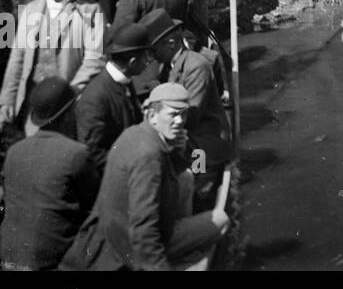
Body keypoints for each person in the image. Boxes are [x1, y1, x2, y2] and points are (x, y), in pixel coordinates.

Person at [60, 83, 230, 271]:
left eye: (184, 114)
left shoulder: (134, 133)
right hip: (131, 247)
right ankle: (181, 262)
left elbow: (171, 174)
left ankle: (180, 246)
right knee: (221, 219)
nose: (180, 121)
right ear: (152, 115)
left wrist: (176, 150)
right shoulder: (149, 156)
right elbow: (144, 229)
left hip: (113, 234)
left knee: (186, 178)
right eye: (173, 114)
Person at [0, 0, 105, 132]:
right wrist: (7, 100)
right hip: (33, 104)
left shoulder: (89, 10)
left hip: (69, 103)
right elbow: (17, 58)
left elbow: (95, 59)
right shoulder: (32, 9)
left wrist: (69, 92)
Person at [0, 77, 98, 271]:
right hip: (52, 263)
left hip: (9, 259)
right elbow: (94, 208)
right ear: (68, 113)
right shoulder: (76, 154)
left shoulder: (15, 151)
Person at [143, 10, 231, 212]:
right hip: (187, 139)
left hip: (203, 145)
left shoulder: (196, 66)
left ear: (171, 43)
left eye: (154, 48)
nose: (151, 54)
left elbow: (189, 115)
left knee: (199, 189)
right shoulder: (169, 66)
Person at [76, 24, 150, 175]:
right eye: (146, 57)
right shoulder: (96, 97)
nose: (149, 62)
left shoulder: (124, 81)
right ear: (132, 62)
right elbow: (92, 152)